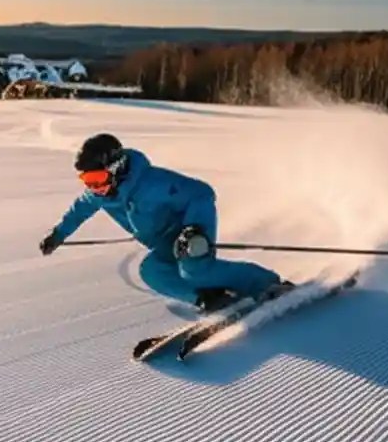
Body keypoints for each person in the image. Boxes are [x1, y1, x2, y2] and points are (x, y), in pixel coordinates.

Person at [40, 133, 291, 311]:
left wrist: (193, 231)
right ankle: (209, 298)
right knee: (151, 271)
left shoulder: (153, 183)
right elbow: (79, 210)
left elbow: (202, 193)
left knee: (195, 269)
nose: (93, 187)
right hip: (165, 241)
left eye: (97, 178)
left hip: (191, 231)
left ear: (116, 168)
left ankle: (267, 284)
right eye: (86, 180)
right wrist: (58, 234)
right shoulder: (102, 194)